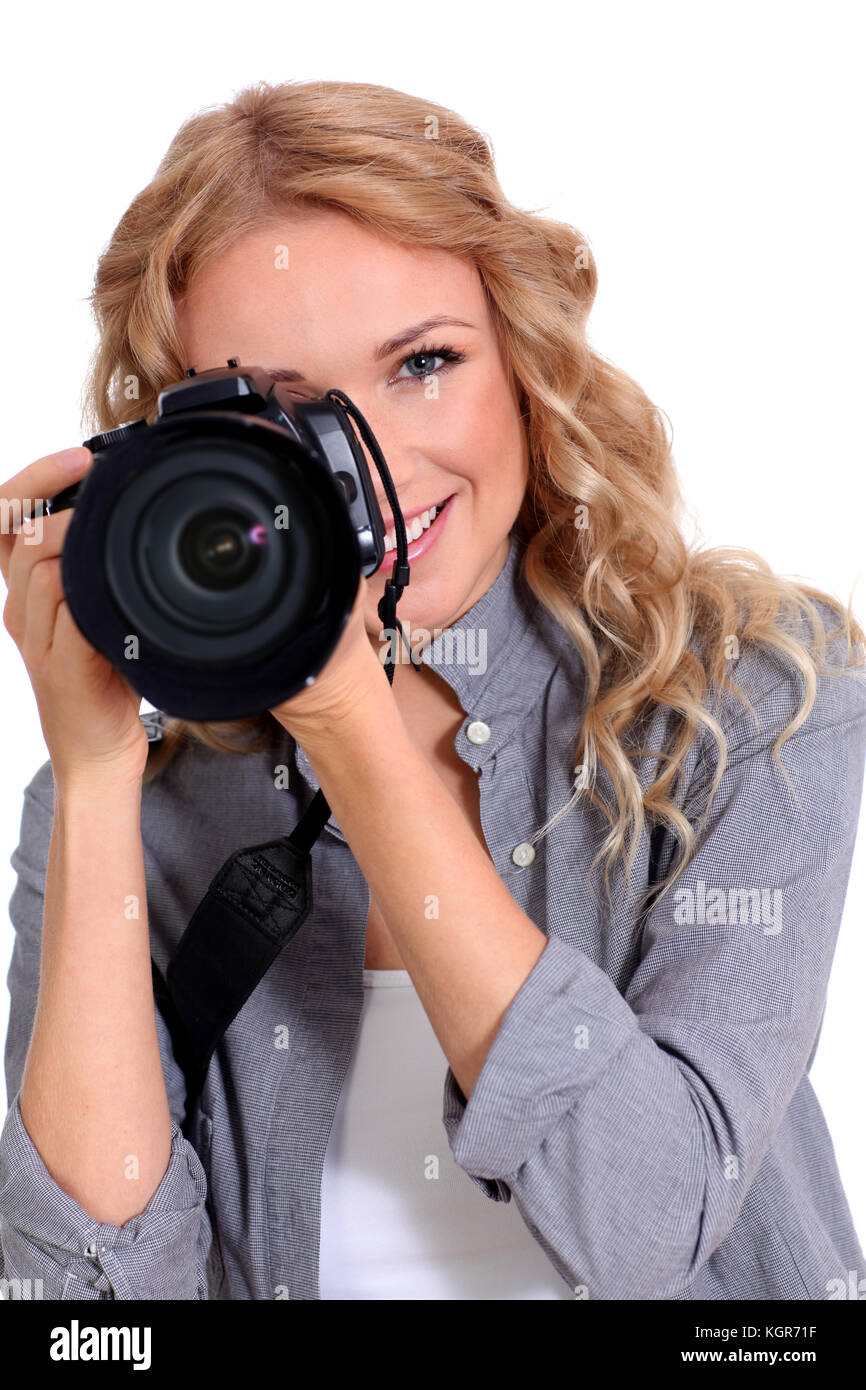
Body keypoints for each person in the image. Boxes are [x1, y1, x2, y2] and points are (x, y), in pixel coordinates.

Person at [1, 78, 865, 1302]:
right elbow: (89, 1319)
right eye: (287, 412)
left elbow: (647, 1218)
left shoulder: (751, 706)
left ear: (521, 357)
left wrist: (349, 722)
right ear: (188, 452)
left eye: (422, 363)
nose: (378, 462)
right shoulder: (140, 806)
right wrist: (94, 778)